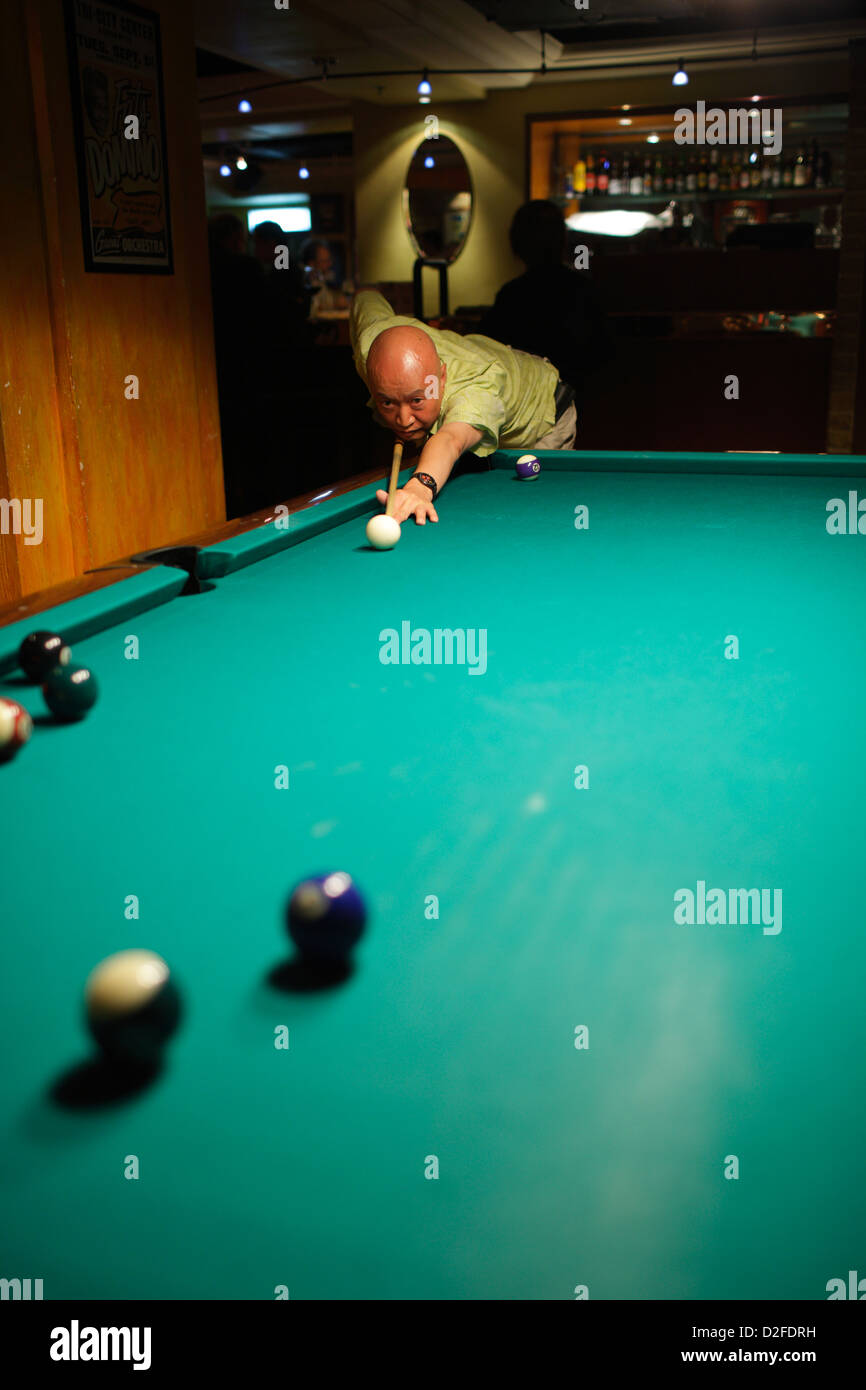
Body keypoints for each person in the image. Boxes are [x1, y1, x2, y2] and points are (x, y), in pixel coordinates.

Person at [350, 289, 577, 525]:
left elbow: (450, 440)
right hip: (488, 369)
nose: (404, 419)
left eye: (416, 400)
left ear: (442, 378)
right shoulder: (371, 345)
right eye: (388, 402)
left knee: (539, 517)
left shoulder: (473, 391)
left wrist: (420, 487)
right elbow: (366, 298)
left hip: (539, 408)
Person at [479, 200, 611, 408]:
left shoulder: (512, 296)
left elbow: (490, 354)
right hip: (583, 406)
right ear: (562, 240)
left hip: (527, 408)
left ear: (517, 243)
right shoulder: (584, 291)